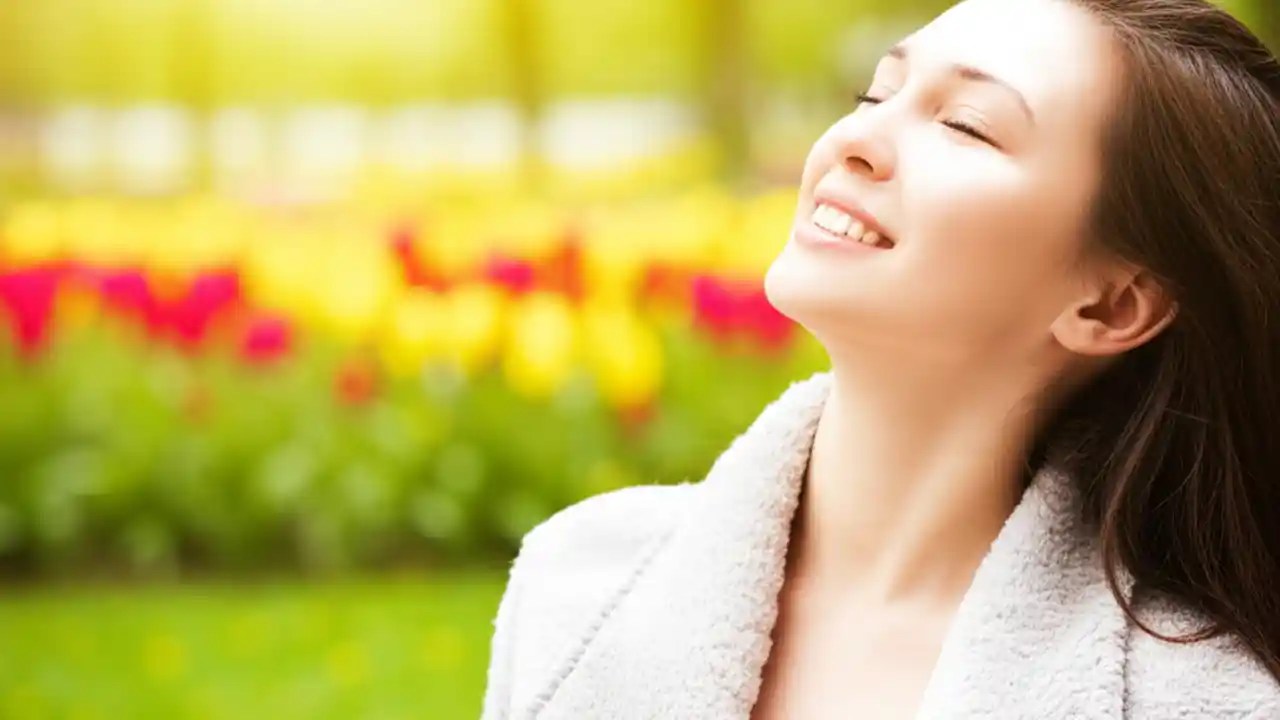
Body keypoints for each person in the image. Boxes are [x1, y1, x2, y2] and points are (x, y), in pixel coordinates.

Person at [480, 0, 1280, 716]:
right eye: (877, 93)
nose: (856, 139)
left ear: (1111, 305)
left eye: (965, 123)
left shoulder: (1203, 701)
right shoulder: (577, 583)